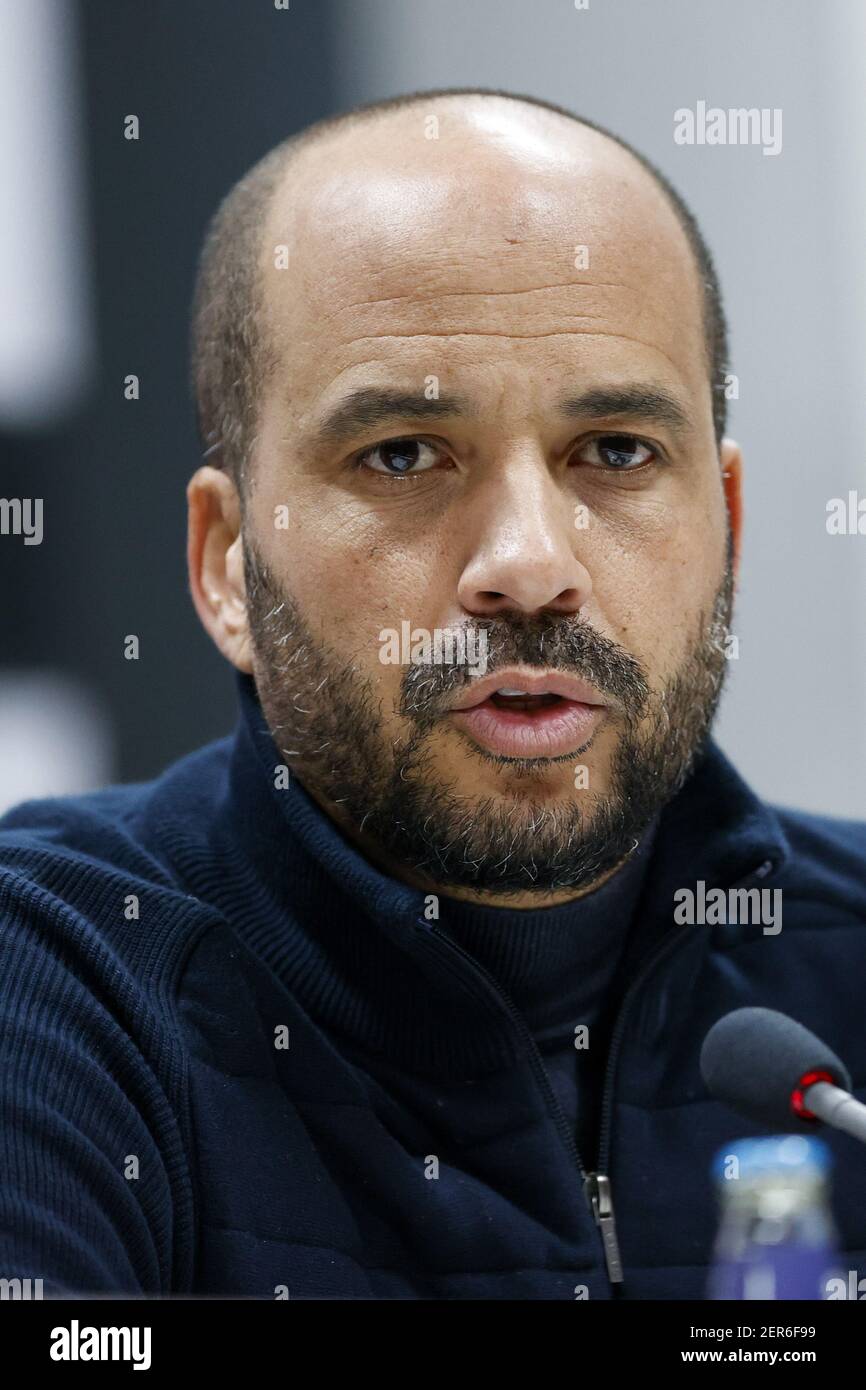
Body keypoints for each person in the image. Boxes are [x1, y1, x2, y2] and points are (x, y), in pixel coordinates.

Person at [2, 88, 865, 1300]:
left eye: (614, 451)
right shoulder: (54, 978)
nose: (529, 567)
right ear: (225, 567)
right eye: (401, 455)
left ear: (723, 524)